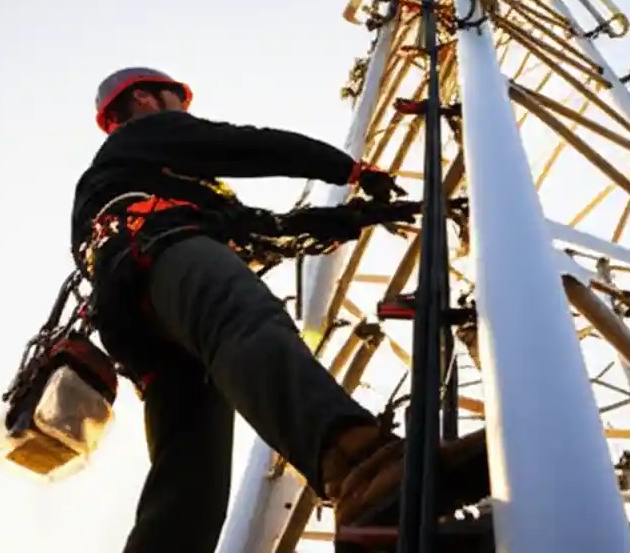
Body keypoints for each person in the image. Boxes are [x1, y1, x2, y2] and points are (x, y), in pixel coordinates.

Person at [71, 67, 488, 553]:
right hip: (157, 255)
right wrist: (349, 169)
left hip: (142, 316)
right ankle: (360, 468)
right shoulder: (145, 135)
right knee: (245, 319)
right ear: (143, 99)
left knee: (190, 479)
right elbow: (248, 145)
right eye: (176, 101)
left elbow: (261, 229)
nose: (185, 113)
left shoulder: (159, 174)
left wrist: (355, 217)